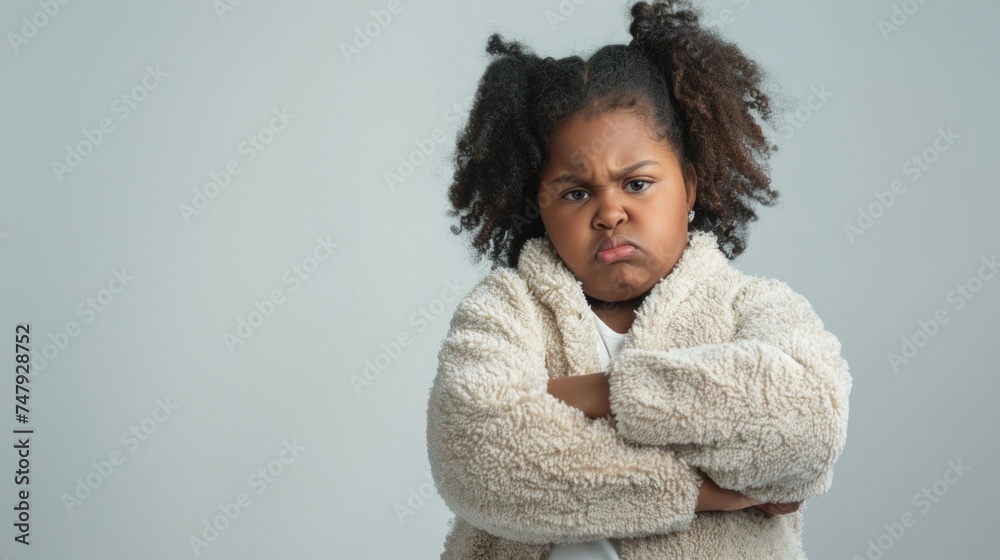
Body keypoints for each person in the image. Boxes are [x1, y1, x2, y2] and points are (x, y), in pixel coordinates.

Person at [425, 1, 852, 558]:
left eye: (637, 183)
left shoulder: (754, 306)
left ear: (690, 185)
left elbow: (806, 428)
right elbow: (478, 457)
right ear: (539, 206)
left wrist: (572, 400)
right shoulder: (505, 310)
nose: (609, 213)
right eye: (576, 192)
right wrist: (706, 492)